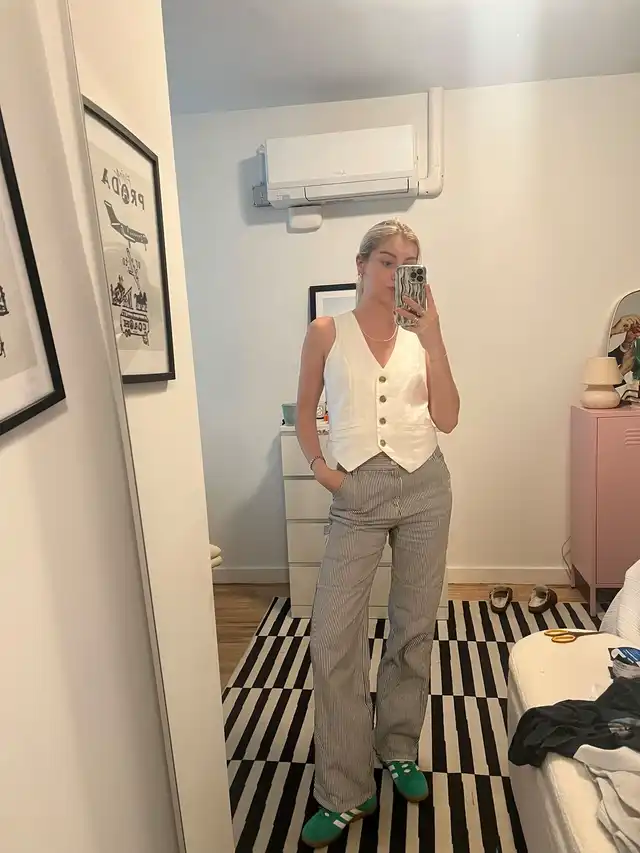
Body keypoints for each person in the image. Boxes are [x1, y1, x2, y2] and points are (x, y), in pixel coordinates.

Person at [295, 220, 459, 848]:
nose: (396, 274)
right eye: (386, 261)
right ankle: (344, 785)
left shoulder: (423, 334)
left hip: (425, 488)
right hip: (356, 491)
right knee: (332, 637)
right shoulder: (326, 331)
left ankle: (397, 748)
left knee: (413, 625)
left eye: (409, 263)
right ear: (360, 265)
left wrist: (434, 338)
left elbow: (448, 417)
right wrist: (324, 472)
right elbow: (305, 409)